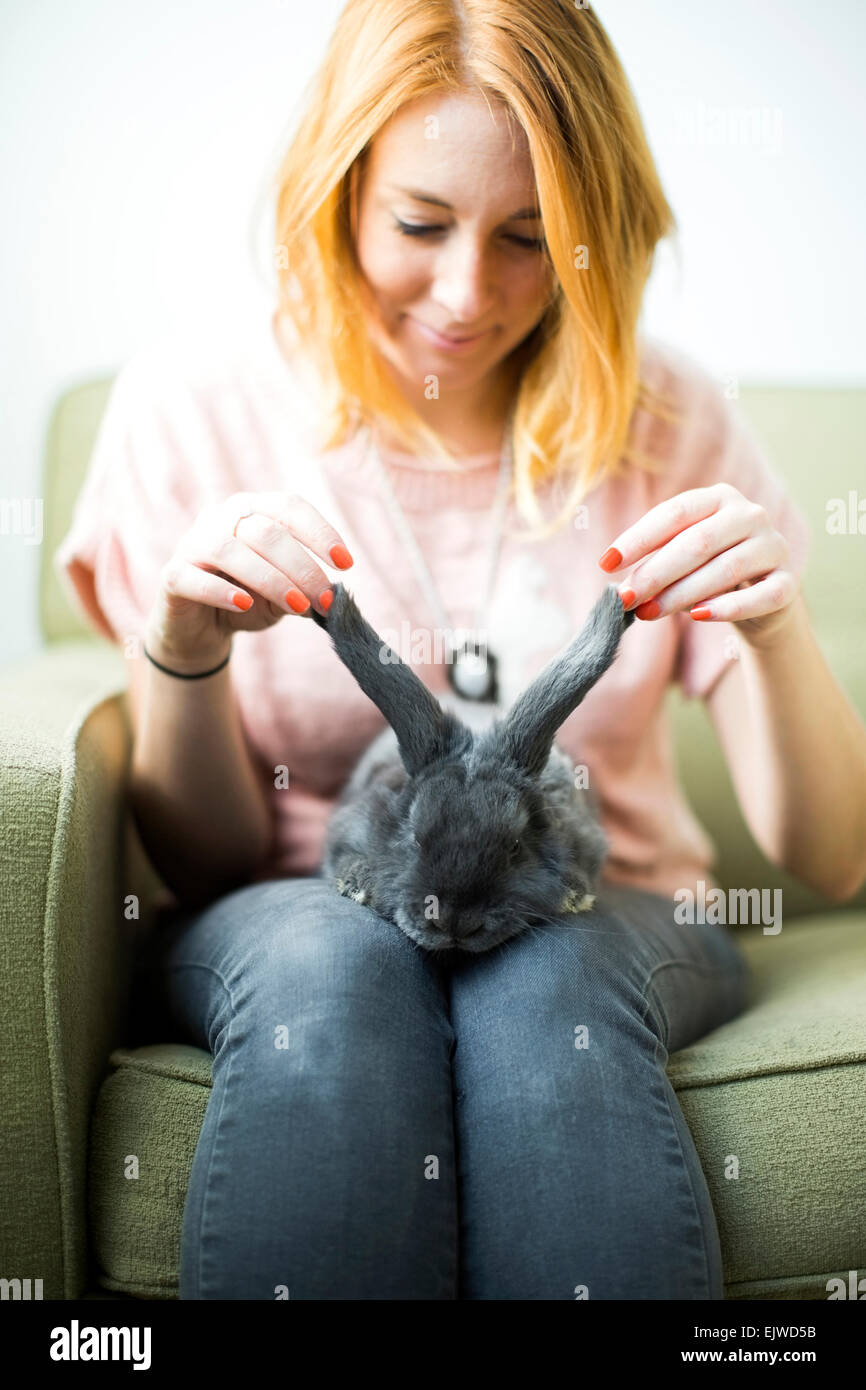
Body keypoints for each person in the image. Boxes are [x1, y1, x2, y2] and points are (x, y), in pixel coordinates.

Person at [54, 0, 866, 1301]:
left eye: (528, 239)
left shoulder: (664, 418)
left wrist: (771, 625)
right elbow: (202, 853)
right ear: (341, 191)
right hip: (297, 908)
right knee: (339, 959)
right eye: (420, 225)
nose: (463, 294)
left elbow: (829, 852)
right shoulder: (192, 406)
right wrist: (182, 643)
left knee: (543, 971)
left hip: (617, 906)